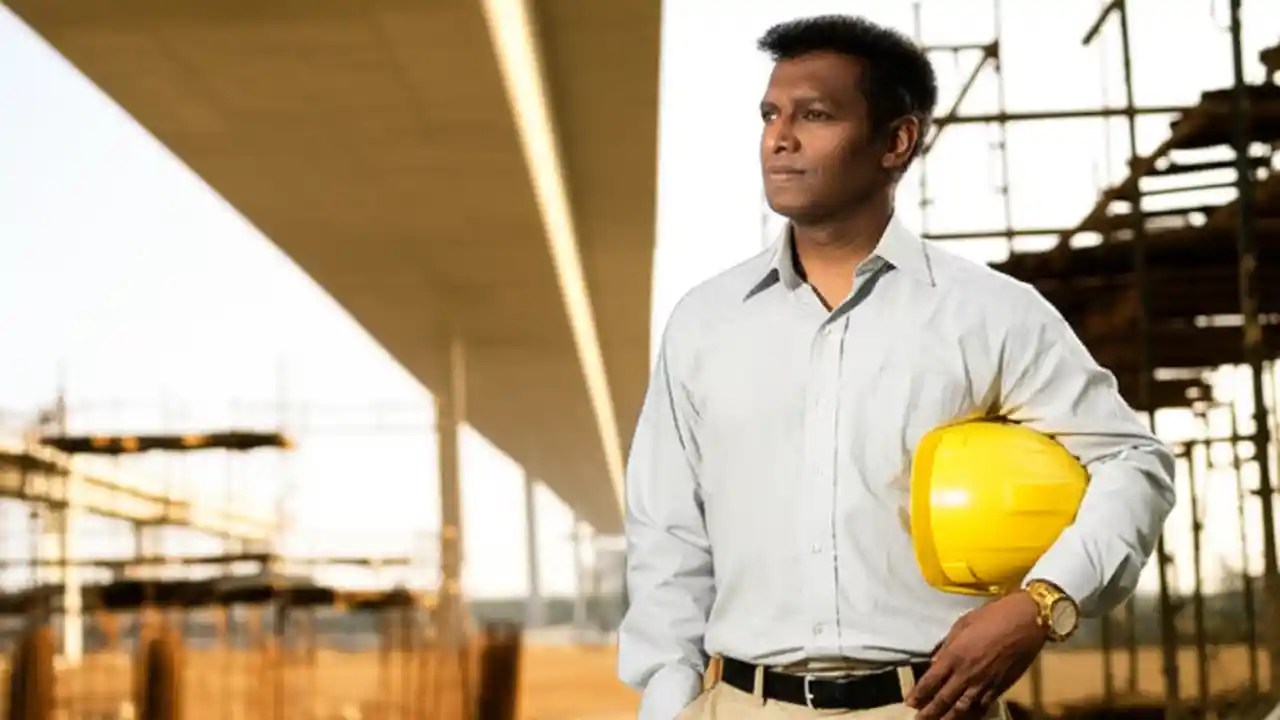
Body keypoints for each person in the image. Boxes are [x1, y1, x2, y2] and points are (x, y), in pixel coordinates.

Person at [616, 13, 1176, 720]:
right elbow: (667, 534)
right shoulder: (705, 321)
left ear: (896, 141)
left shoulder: (989, 312)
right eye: (770, 114)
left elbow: (1133, 461)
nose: (779, 138)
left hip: (929, 706)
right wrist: (668, 705)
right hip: (740, 705)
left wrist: (1043, 603)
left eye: (814, 115)